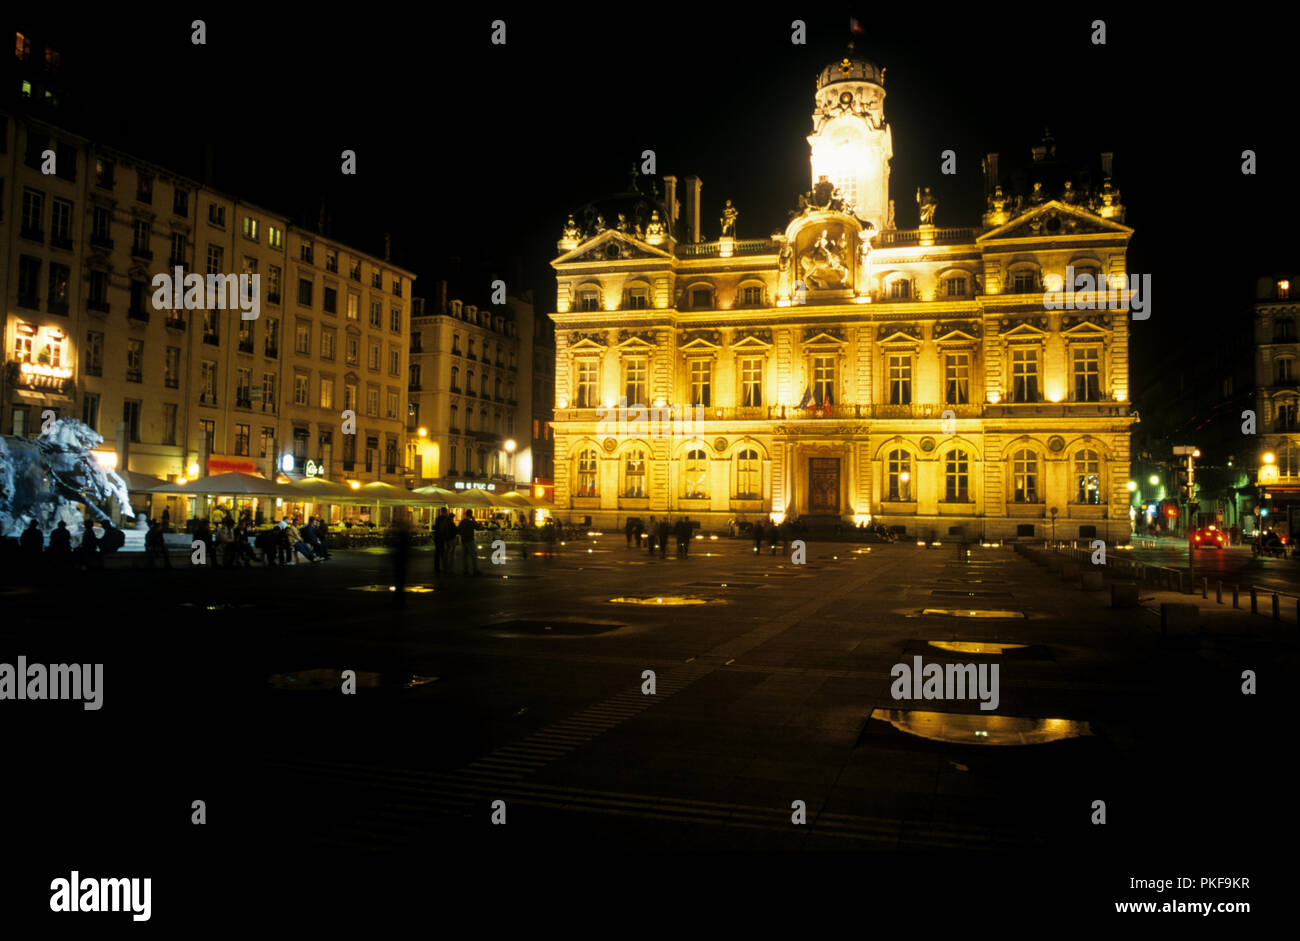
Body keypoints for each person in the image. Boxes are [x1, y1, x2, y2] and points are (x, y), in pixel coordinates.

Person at [459, 509, 481, 575]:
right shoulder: (470, 522)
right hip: (470, 540)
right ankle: (475, 570)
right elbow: (477, 527)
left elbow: (459, 529)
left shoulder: (462, 522)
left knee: (465, 556)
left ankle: (465, 570)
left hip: (463, 540)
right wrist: (474, 520)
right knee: (473, 555)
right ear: (471, 514)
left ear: (465, 514)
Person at [433, 508, 450, 574]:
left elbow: (436, 527)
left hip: (437, 537)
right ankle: (445, 567)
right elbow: (447, 528)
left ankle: (436, 568)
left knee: (437, 553)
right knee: (444, 553)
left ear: (441, 511)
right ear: (446, 511)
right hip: (443, 537)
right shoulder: (447, 518)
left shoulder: (437, 518)